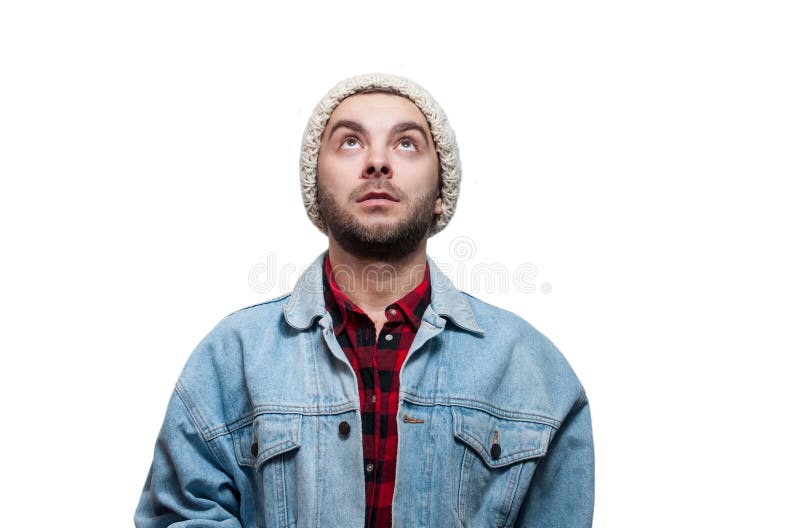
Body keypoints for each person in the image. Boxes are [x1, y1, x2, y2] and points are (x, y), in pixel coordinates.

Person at [134, 73, 594, 528]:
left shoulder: (534, 372)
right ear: (316, 188)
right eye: (351, 142)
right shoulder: (229, 359)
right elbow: (180, 516)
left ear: (441, 192)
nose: (377, 162)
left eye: (407, 143)